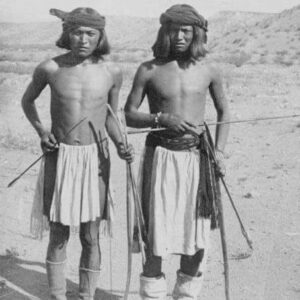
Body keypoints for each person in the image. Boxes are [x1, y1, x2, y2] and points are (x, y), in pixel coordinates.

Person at [21, 7, 133, 300]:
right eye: (77, 32)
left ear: (100, 37)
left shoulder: (112, 72)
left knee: (90, 234)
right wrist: (42, 133)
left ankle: (86, 295)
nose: (83, 39)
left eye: (90, 33)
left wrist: (121, 143)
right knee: (58, 233)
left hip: (96, 160)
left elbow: (109, 115)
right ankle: (57, 295)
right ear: (66, 33)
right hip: (61, 157)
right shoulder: (50, 68)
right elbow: (28, 101)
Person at [125, 4, 230, 300]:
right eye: (174, 30)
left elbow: (224, 110)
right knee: (154, 236)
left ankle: (185, 296)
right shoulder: (149, 69)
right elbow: (129, 114)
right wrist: (160, 119)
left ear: (197, 33)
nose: (180, 36)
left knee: (195, 236)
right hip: (160, 158)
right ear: (165, 32)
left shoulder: (209, 69)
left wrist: (219, 152)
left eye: (186, 30)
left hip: (198, 159)